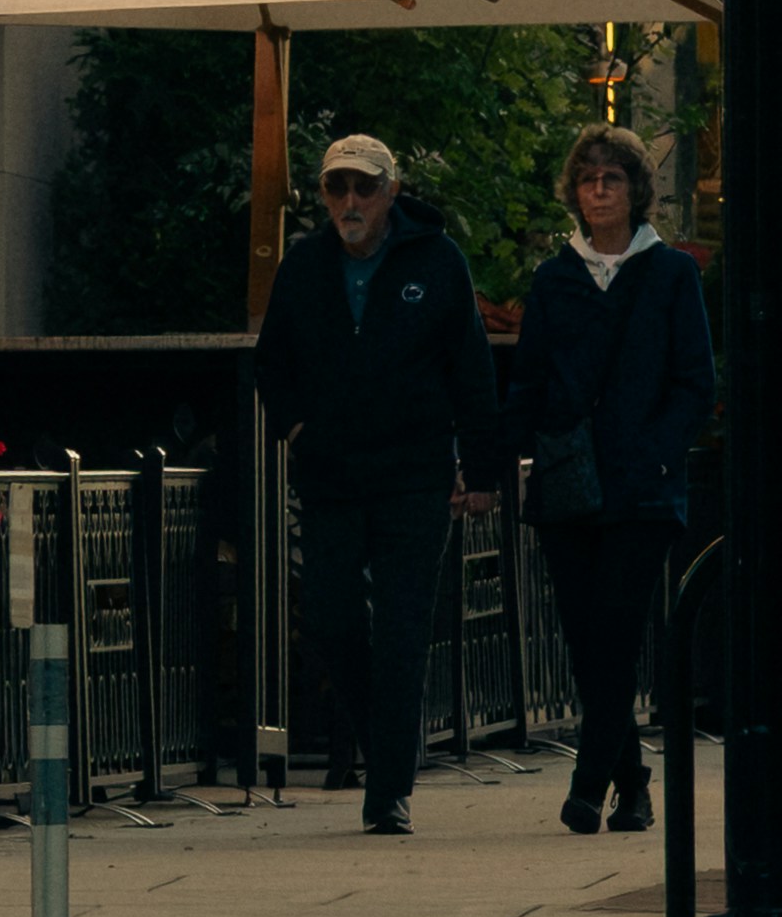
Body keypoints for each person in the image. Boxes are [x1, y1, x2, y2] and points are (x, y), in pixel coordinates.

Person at [250, 127, 502, 835]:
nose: (351, 199)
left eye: (364, 186)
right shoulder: (305, 265)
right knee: (330, 619)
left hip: (415, 476)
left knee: (401, 628)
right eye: (338, 186)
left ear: (392, 191)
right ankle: (385, 737)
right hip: (332, 474)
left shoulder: (438, 261)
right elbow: (273, 363)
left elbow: (472, 370)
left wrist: (481, 470)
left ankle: (387, 786)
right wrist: (298, 428)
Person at [510, 124, 717, 836]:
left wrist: (657, 449)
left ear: (635, 190)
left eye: (612, 178)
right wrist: (499, 461)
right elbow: (529, 381)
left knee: (618, 630)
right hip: (569, 486)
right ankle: (633, 784)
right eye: (588, 178)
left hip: (642, 489)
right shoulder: (554, 279)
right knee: (583, 638)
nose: (598, 189)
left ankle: (586, 781)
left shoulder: (670, 274)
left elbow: (697, 382)